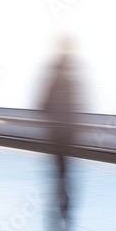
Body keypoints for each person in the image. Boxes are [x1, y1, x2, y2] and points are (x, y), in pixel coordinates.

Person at [41, 39, 82, 219]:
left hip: (56, 130)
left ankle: (60, 195)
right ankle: (65, 198)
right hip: (70, 129)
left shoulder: (54, 78)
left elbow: (44, 103)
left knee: (57, 166)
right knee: (66, 165)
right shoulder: (74, 78)